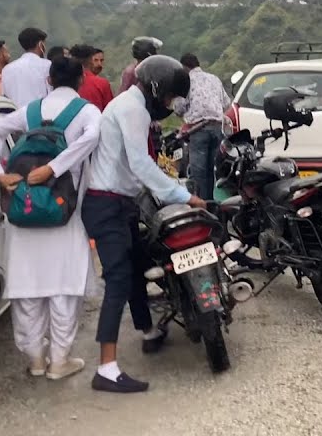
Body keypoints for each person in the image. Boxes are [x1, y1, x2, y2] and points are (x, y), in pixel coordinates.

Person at [82, 54, 206, 393]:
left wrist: (173, 189)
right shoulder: (133, 109)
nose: (168, 104)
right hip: (107, 204)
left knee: (136, 264)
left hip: (120, 201)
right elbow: (140, 163)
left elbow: (136, 166)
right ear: (156, 88)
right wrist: (183, 196)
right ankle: (106, 369)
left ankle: (147, 329)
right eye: (167, 97)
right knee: (119, 279)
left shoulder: (128, 103)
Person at [0, 56, 100, 381]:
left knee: (28, 288)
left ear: (48, 80)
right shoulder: (88, 112)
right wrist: (55, 168)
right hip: (65, 213)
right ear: (81, 80)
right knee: (63, 288)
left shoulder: (30, 112)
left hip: (24, 210)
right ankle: (59, 361)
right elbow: (92, 138)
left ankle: (35, 360)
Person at [174, 53, 229, 200]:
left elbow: (179, 108)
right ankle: (213, 205)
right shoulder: (214, 79)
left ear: (184, 67)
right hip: (218, 128)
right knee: (213, 170)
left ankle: (202, 206)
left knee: (199, 172)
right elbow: (225, 103)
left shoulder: (186, 81)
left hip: (198, 130)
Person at [3, 27, 52, 107]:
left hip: (16, 116)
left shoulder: (7, 69)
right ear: (40, 44)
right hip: (39, 115)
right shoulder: (47, 65)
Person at [72, 44, 115, 111]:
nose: (99, 64)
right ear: (90, 60)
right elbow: (110, 110)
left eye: (101, 60)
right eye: (95, 60)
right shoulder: (102, 83)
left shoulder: (67, 82)